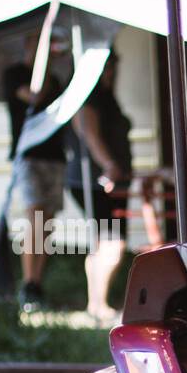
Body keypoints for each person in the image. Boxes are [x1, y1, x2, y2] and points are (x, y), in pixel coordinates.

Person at [3, 31, 70, 313]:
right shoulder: (15, 74)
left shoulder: (55, 80)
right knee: (36, 217)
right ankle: (28, 283)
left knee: (47, 223)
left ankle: (37, 283)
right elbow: (33, 96)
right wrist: (43, 66)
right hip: (28, 156)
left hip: (54, 157)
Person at [67, 49, 133, 325]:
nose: (112, 71)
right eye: (108, 66)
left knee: (102, 241)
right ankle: (99, 304)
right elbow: (88, 132)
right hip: (97, 181)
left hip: (105, 181)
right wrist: (109, 165)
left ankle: (96, 303)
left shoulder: (106, 95)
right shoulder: (89, 95)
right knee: (112, 242)